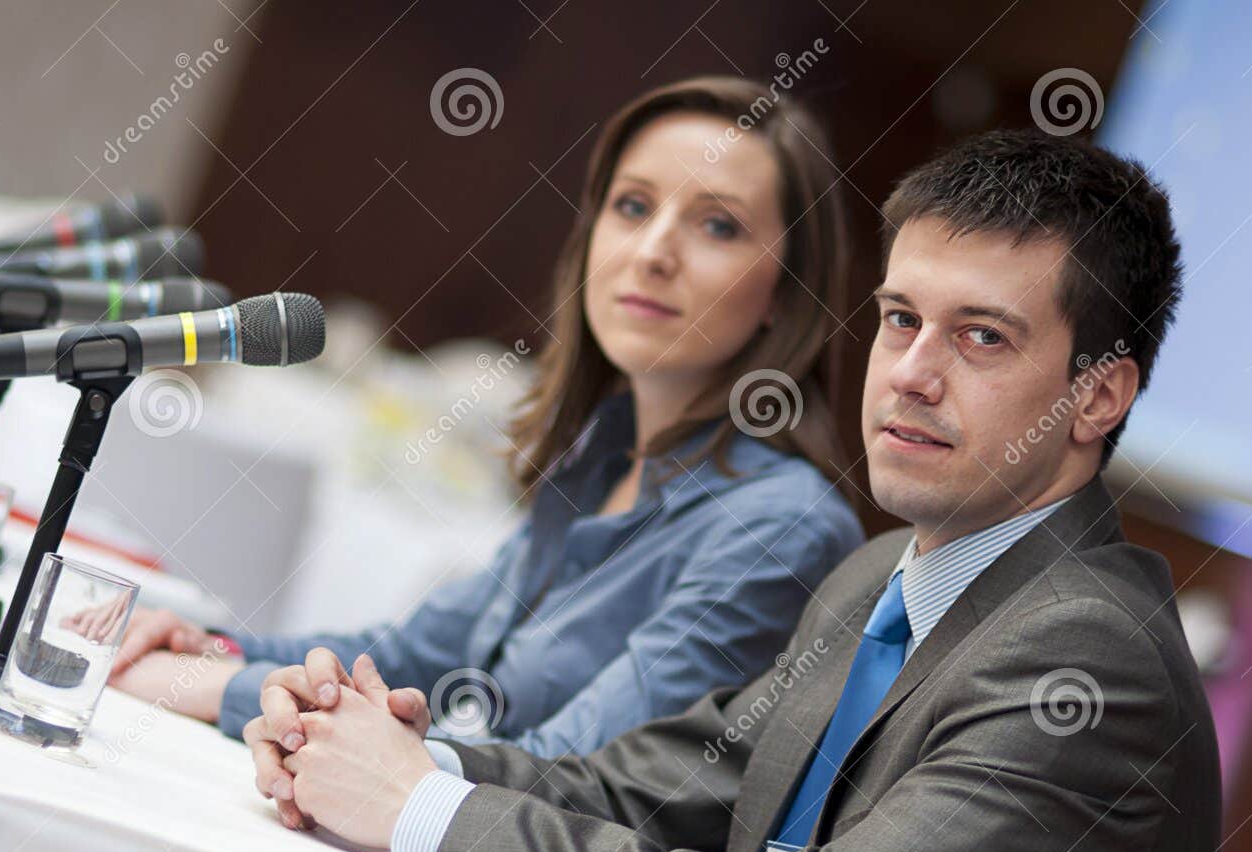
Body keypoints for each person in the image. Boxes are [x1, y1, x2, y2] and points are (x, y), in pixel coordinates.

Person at [243, 127, 1224, 852]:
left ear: (1097, 395)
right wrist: (391, 749)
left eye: (980, 338)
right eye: (899, 320)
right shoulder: (876, 577)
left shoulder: (1089, 666)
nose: (912, 375)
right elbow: (649, 791)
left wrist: (416, 806)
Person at [110, 76, 863, 757]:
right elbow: (408, 653)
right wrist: (213, 651)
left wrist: (218, 690)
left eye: (718, 225)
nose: (654, 251)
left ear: (785, 294)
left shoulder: (782, 526)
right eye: (633, 206)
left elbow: (570, 770)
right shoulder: (601, 456)